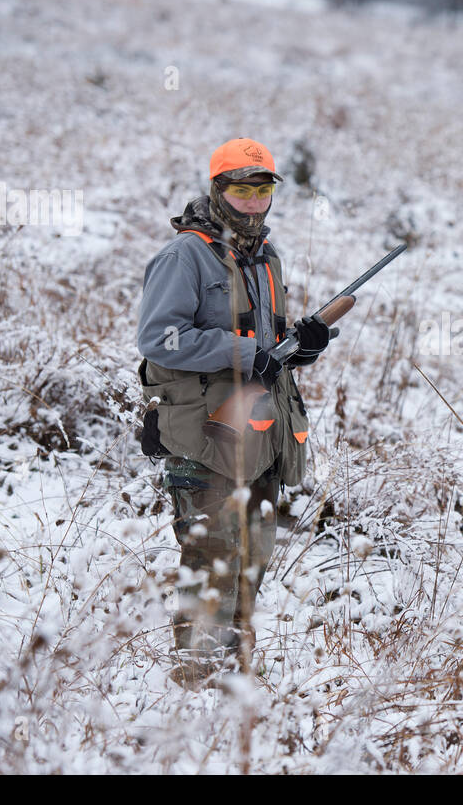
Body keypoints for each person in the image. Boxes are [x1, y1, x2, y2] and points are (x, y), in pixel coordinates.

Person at [136, 138, 333, 688]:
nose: (252, 201)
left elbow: (268, 346)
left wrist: (302, 345)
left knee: (251, 560)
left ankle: (234, 674)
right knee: (211, 561)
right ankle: (197, 683)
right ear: (217, 189)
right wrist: (249, 352)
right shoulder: (185, 255)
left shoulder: (266, 256)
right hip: (204, 436)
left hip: (259, 435)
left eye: (262, 189)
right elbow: (160, 337)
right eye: (241, 190)